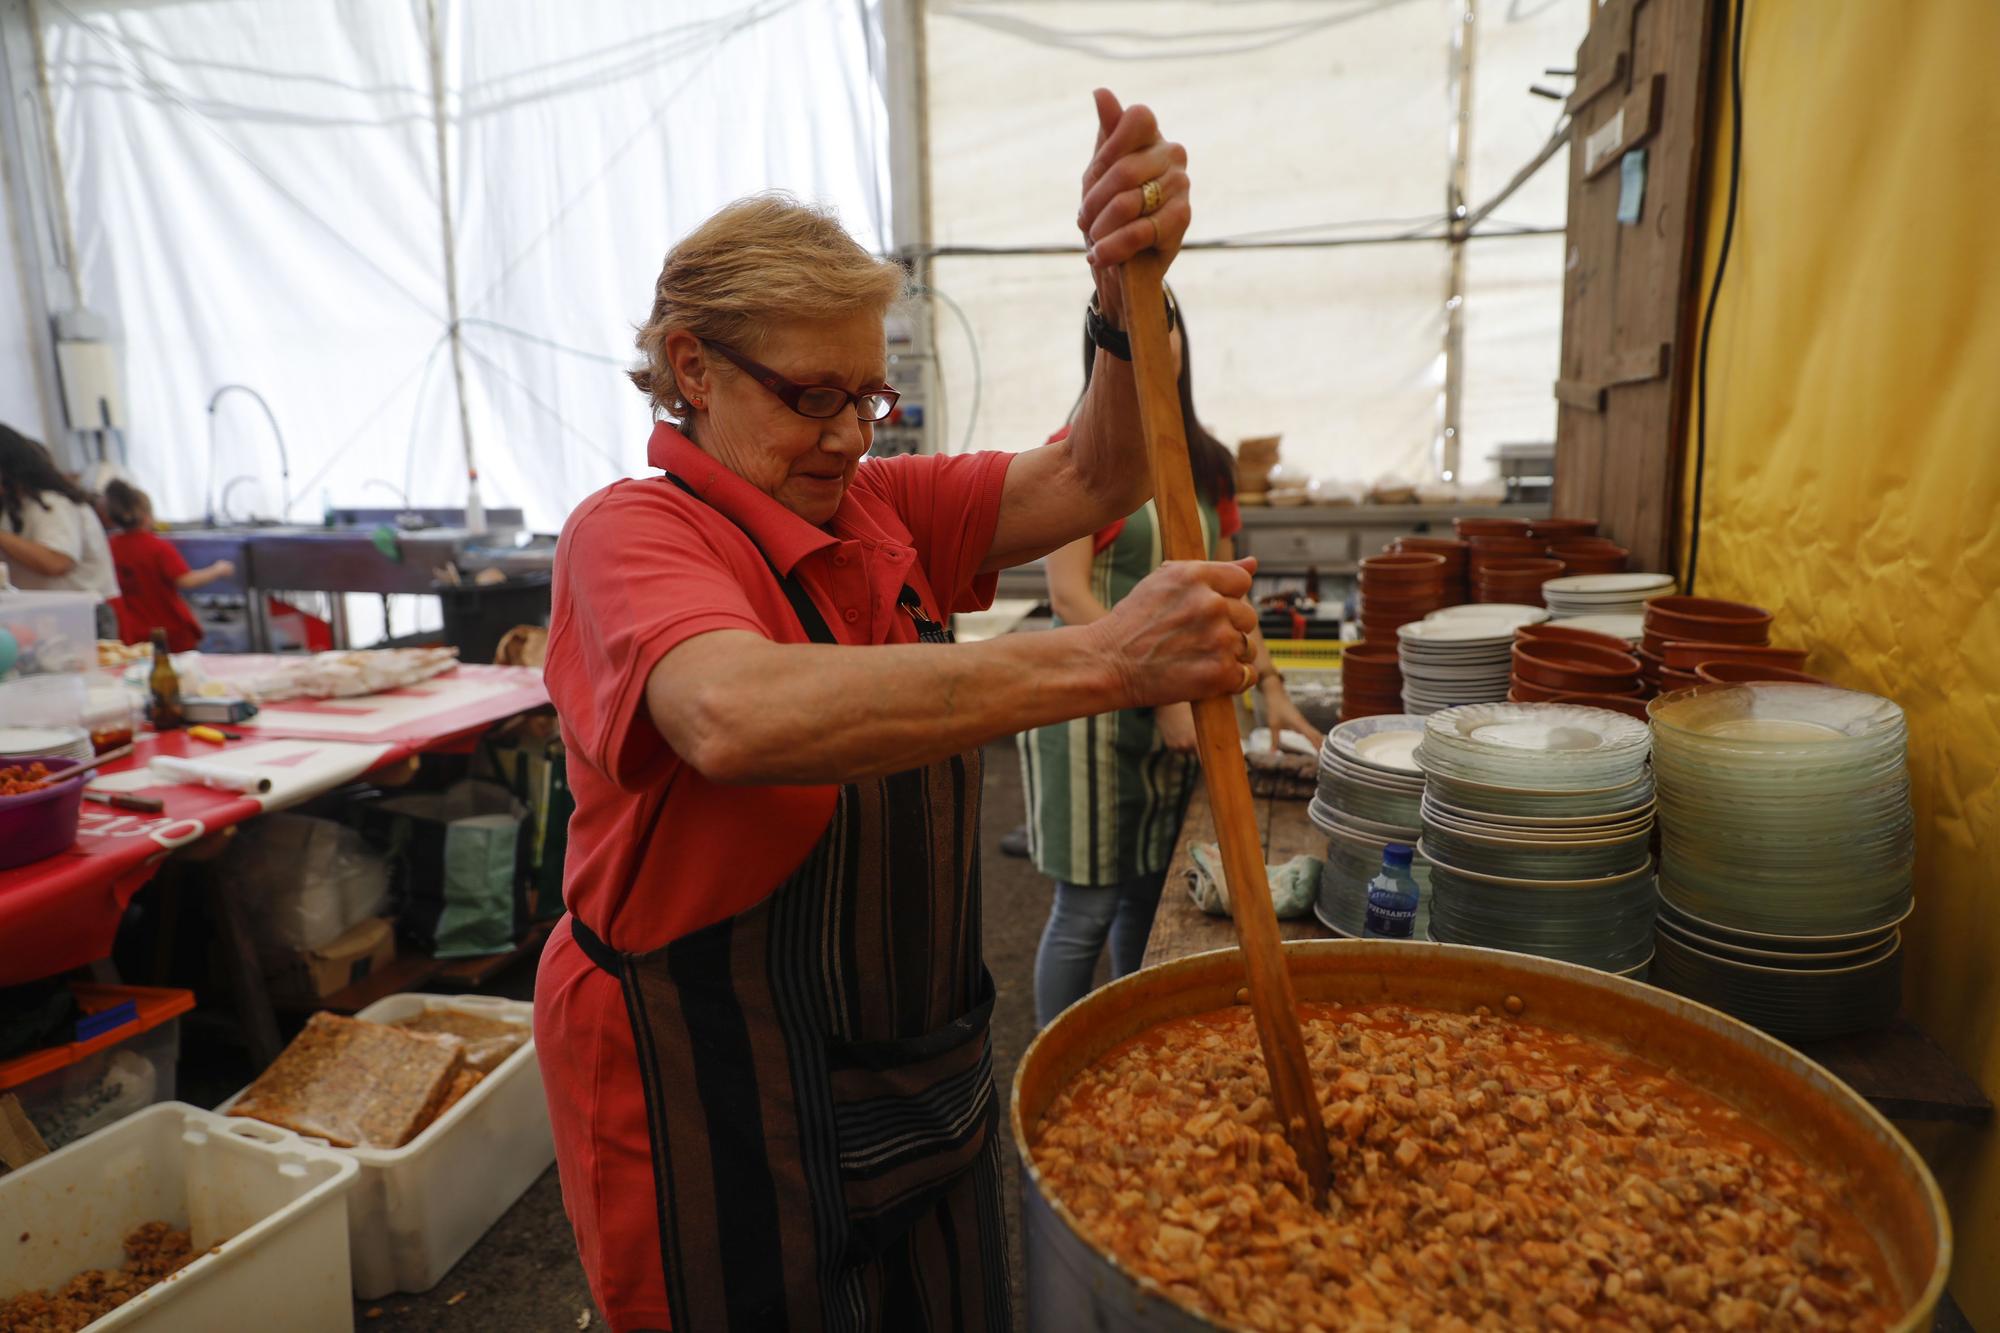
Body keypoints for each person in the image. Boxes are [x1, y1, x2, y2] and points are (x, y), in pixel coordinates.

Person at [535, 90, 1236, 1332]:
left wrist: (1124, 295)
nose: (850, 436)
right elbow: (733, 713)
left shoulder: (880, 509)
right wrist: (1110, 662)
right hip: (707, 1090)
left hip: (912, 1063)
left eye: (871, 398)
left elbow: (1097, 471)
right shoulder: (632, 533)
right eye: (815, 396)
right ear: (691, 365)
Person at [1019, 291, 1325, 1028]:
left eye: (1168, 324)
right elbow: (1068, 597)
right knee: (1085, 910)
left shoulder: (1208, 465)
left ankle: (1133, 1041)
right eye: (1134, 330)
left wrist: (1273, 683)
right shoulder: (1076, 457)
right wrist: (1159, 691)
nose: (1157, 341)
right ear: (1103, 347)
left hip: (1171, 718)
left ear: (1184, 341)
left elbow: (1226, 594)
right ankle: (1049, 1070)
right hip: (1088, 716)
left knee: (1142, 896)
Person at [101, 479, 235, 651]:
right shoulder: (157, 547)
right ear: (147, 515)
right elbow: (186, 580)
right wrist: (217, 570)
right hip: (169, 631)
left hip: (133, 633)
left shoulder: (109, 547)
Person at [0, 425, 117, 602]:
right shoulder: (12, 507)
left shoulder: (53, 502)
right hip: (45, 610)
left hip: (85, 612)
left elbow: (56, 562)